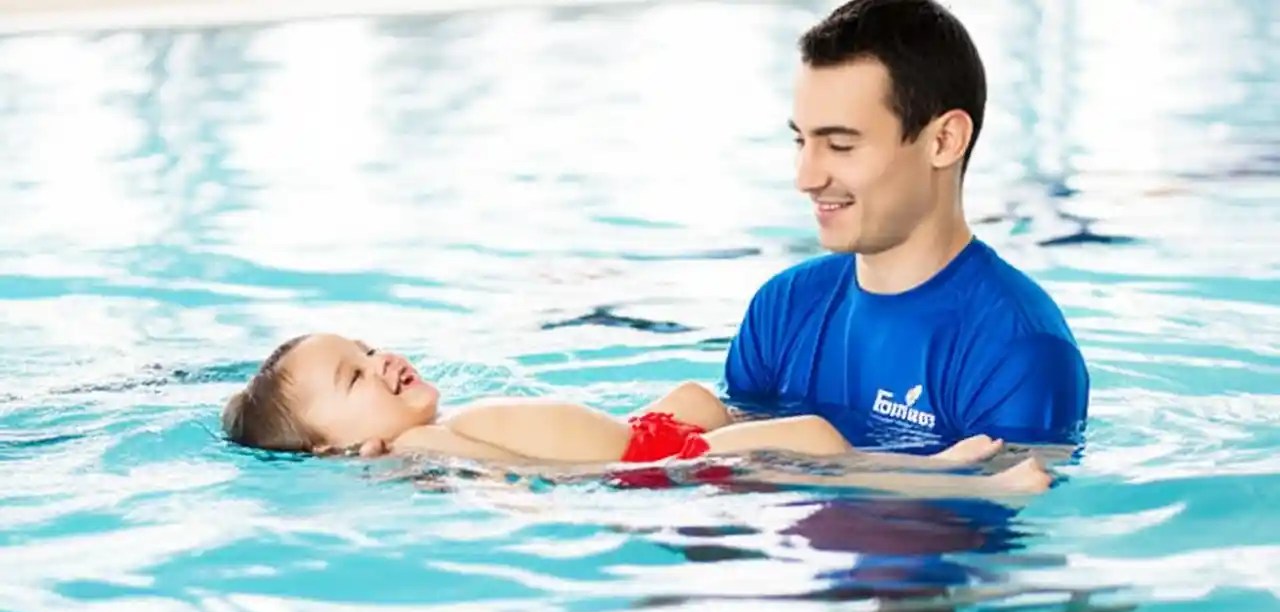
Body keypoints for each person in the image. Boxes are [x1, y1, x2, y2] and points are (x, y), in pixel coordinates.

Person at [725, 0, 1090, 452]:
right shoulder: (782, 310)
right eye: (802, 141)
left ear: (943, 141)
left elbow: (993, 502)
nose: (806, 178)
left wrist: (825, 452)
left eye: (840, 145)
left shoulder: (1019, 352)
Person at [220, 333, 1052, 498]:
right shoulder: (414, 450)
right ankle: (948, 480)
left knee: (694, 394)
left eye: (367, 348)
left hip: (647, 437)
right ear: (341, 447)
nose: (382, 361)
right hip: (647, 468)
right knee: (812, 438)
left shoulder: (423, 428)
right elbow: (508, 484)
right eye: (355, 375)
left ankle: (733, 458)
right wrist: (658, 471)